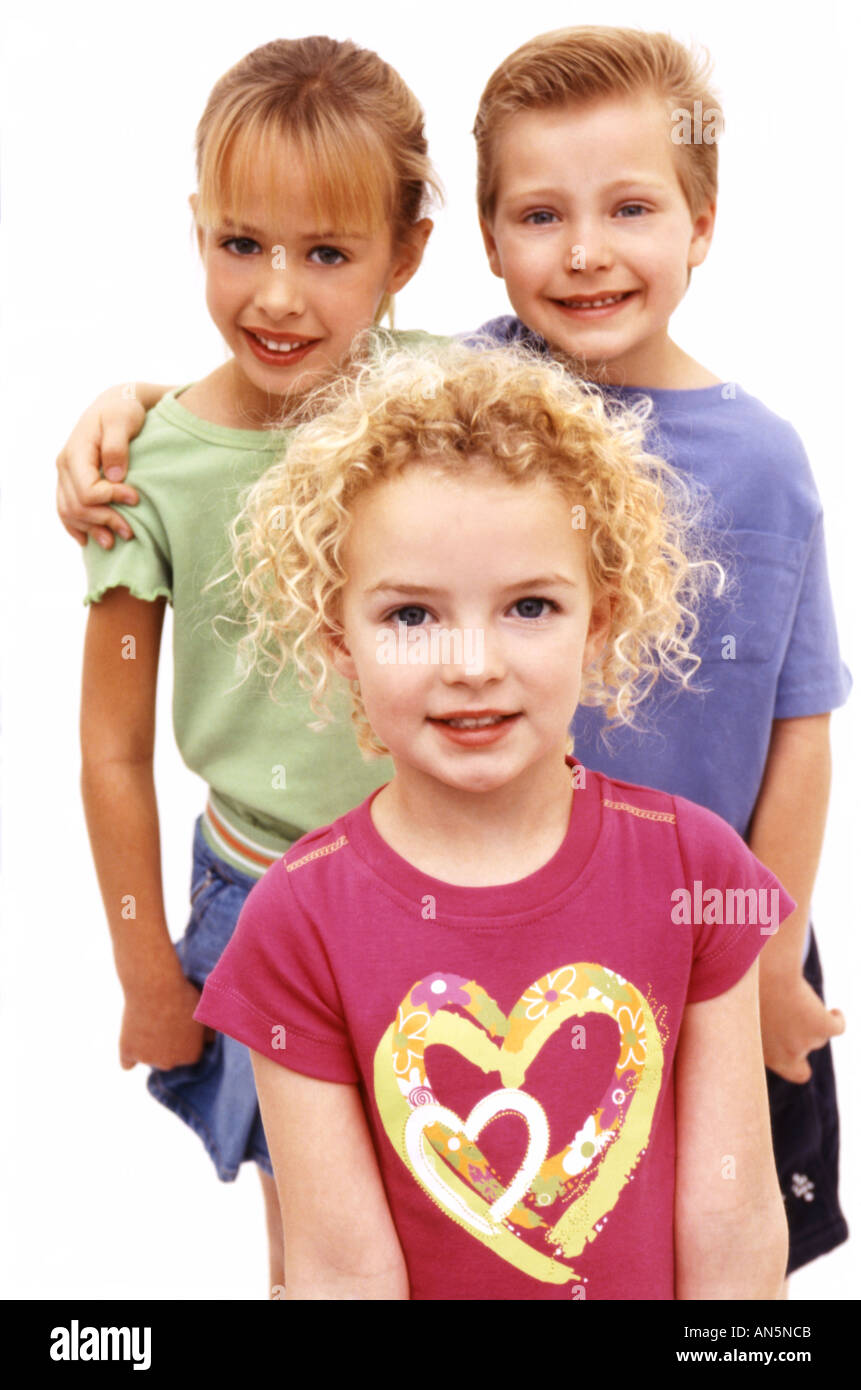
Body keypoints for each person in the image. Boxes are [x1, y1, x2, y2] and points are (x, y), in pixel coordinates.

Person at [193, 342, 792, 1300]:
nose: (472, 663)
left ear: (598, 619)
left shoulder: (694, 868)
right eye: (411, 617)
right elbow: (341, 1272)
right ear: (336, 639)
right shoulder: (296, 920)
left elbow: (730, 1218)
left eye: (527, 606)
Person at [470, 24, 850, 1284]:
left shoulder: (763, 461)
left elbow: (799, 729)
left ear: (701, 222)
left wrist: (774, 952)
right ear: (487, 238)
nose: (585, 252)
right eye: (540, 213)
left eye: (630, 207)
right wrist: (125, 410)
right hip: (493, 943)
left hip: (716, 943)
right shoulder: (449, 404)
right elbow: (273, 398)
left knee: (723, 1259)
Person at [76, 34, 441, 1292]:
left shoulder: (444, 395)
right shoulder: (150, 473)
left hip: (450, 877)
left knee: (463, 1217)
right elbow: (112, 752)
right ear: (197, 229)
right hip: (264, 900)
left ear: (408, 256)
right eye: (243, 244)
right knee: (317, 1249)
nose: (277, 295)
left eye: (328, 254)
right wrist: (143, 969)